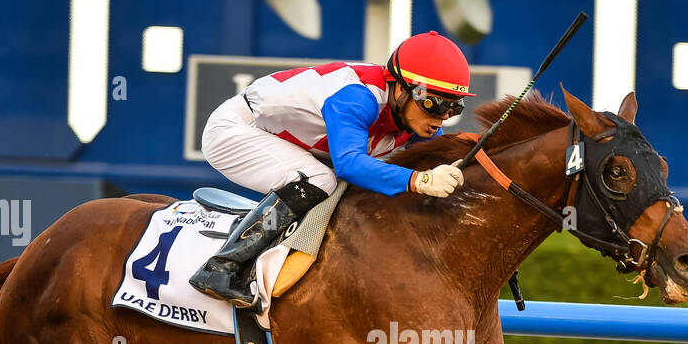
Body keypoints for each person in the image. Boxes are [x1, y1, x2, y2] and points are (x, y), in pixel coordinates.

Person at [188, 31, 476, 308]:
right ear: (400, 87)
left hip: (289, 142)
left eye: (454, 108)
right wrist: (420, 180)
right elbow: (350, 164)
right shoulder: (358, 97)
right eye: (434, 103)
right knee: (321, 179)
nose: (443, 116)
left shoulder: (411, 115)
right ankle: (222, 266)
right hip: (236, 130)